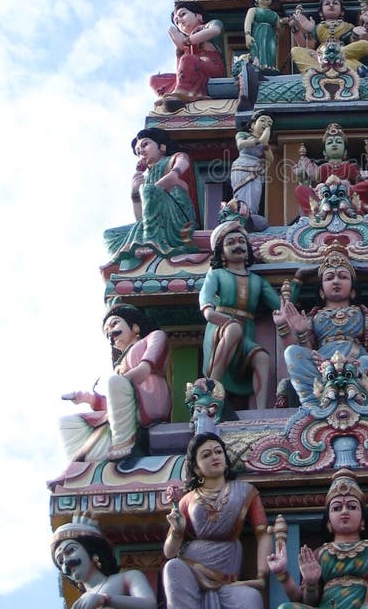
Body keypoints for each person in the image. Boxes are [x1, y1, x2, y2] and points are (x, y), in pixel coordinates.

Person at [273, 239, 368, 410]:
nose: (336, 281)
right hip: (323, 365)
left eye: (343, 276)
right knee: (292, 353)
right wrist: (299, 332)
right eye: (329, 277)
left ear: (353, 291)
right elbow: (308, 352)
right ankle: (312, 402)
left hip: (359, 361)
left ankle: (351, 369)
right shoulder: (314, 316)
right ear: (321, 292)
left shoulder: (362, 313)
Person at [267, 469, 368, 608]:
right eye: (337, 508)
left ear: (363, 520)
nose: (344, 512)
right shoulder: (319, 554)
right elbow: (305, 601)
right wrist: (294, 577)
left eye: (352, 507)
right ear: (329, 522)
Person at [163, 432, 271, 609]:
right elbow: (169, 553)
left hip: (226, 575)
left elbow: (263, 534)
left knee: (251, 598)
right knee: (172, 567)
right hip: (191, 569)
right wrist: (176, 532)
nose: (214, 457)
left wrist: (262, 574)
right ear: (196, 468)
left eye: (218, 452)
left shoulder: (245, 491)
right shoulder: (187, 500)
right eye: (206, 455)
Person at [200, 221, 296, 409]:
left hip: (246, 335)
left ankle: (261, 410)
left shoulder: (256, 281)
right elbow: (208, 311)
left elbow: (280, 306)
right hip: (220, 330)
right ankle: (212, 390)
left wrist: (297, 283)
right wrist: (225, 320)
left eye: (241, 242)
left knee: (263, 358)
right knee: (234, 328)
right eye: (231, 243)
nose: (238, 246)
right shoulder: (216, 274)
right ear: (221, 253)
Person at [60, 303, 171, 461]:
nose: (111, 333)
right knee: (68, 422)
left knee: (115, 382)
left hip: (151, 399)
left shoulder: (154, 337)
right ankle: (81, 463)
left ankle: (124, 444)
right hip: (127, 409)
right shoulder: (120, 366)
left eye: (114, 324)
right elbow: (116, 405)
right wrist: (89, 399)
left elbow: (144, 370)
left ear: (135, 327)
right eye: (107, 333)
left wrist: (119, 381)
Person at [103, 129, 196, 267]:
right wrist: (135, 193)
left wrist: (174, 174)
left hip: (176, 215)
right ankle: (142, 245)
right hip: (153, 224)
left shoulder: (170, 161)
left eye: (145, 144)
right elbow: (141, 218)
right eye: (138, 150)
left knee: (149, 190)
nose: (141, 151)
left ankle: (152, 242)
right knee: (109, 235)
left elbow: (183, 160)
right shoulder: (146, 180)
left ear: (162, 146)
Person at [52, 512, 157, 608]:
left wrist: (105, 599)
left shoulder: (128, 577)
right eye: (60, 561)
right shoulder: (81, 602)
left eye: (71, 550)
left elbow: (149, 605)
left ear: (91, 550)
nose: (66, 562)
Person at [294, 122, 368, 216]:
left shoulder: (350, 166)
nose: (334, 144)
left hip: (347, 194)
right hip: (324, 195)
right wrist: (301, 175)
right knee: (300, 189)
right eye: (330, 142)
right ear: (324, 153)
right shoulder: (322, 168)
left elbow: (361, 181)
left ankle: (352, 205)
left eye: (339, 142)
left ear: (345, 152)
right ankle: (315, 213)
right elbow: (310, 185)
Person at [150, 2, 224, 112]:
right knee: (155, 80)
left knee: (188, 59)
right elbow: (181, 70)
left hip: (211, 66)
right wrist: (180, 50)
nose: (179, 21)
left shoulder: (207, 26)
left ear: (198, 16)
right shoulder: (184, 47)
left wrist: (187, 41)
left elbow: (215, 30)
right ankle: (177, 94)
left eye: (183, 14)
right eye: (176, 21)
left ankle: (183, 95)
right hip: (191, 72)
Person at [290, 0, 368, 73]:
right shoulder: (318, 27)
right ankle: (350, 65)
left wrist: (363, 28)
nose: (331, 5)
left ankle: (327, 60)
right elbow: (310, 47)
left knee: (365, 44)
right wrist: (309, 32)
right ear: (321, 12)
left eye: (335, 3)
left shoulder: (347, 26)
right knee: (295, 50)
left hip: (341, 50)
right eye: (327, 3)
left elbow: (355, 42)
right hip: (320, 54)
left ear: (342, 11)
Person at [229, 111, 273, 217]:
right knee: (241, 191)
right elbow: (240, 145)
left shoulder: (264, 143)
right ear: (253, 124)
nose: (266, 124)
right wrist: (259, 140)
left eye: (269, 124)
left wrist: (265, 143)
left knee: (254, 193)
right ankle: (240, 212)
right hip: (242, 166)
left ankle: (251, 213)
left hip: (256, 169)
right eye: (262, 120)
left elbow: (270, 159)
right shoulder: (243, 134)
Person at [243, 0, 287, 70]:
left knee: (270, 51)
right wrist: (247, 35)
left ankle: (270, 67)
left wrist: (282, 23)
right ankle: (258, 65)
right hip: (258, 33)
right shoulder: (253, 10)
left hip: (271, 36)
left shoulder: (274, 15)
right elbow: (248, 22)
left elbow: (280, 32)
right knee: (259, 49)